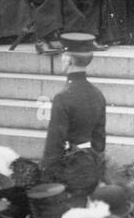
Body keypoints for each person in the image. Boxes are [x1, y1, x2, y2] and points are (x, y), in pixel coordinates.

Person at [41, 32, 107, 194]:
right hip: (90, 166)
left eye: (63, 55)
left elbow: (55, 143)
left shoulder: (63, 97)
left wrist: (47, 176)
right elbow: (99, 139)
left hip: (68, 170)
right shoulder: (97, 94)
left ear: (68, 59)